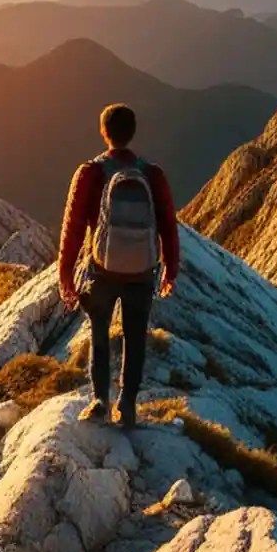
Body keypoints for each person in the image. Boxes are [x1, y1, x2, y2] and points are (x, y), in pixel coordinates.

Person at [59, 104, 179, 429]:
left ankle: (100, 399)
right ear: (133, 132)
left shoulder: (90, 173)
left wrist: (66, 274)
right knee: (135, 336)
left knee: (99, 331)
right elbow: (168, 224)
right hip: (142, 270)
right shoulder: (152, 174)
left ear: (103, 132)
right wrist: (170, 268)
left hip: (102, 270)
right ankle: (127, 405)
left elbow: (73, 228)